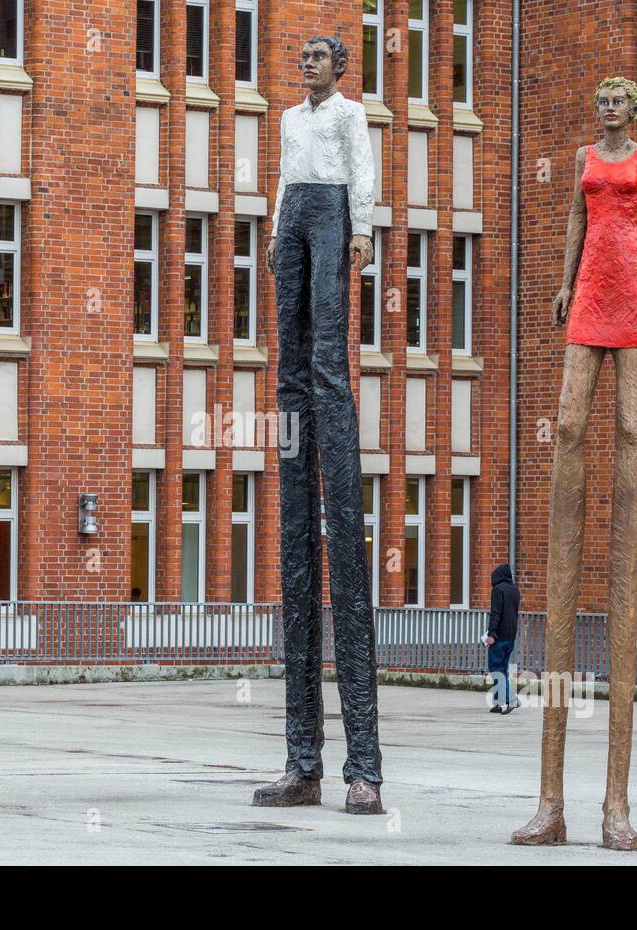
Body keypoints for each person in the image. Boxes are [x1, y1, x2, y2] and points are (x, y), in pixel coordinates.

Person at [512, 76, 637, 852]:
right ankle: (552, 804)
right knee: (570, 422)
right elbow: (575, 218)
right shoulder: (581, 159)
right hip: (590, 291)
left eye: (615, 100)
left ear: (632, 111)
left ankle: (616, 808)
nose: (605, 108)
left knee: (632, 433)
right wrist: (564, 281)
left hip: (632, 288)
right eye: (599, 99)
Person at [250, 34, 383, 815]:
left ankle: (362, 769)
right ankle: (304, 764)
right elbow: (279, 180)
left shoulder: (349, 116)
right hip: (297, 209)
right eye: (301, 56)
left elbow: (361, 174)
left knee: (328, 363)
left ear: (340, 67)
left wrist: (363, 228)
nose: (305, 64)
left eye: (317, 56)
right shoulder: (290, 122)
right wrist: (273, 232)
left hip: (333, 208)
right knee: (291, 377)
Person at [485, 564, 521, 714]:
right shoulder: (515, 590)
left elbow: (496, 613)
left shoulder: (498, 590)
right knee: (502, 670)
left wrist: (491, 634)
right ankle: (499, 702)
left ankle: (511, 699)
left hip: (499, 637)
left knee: (495, 669)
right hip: (511, 636)